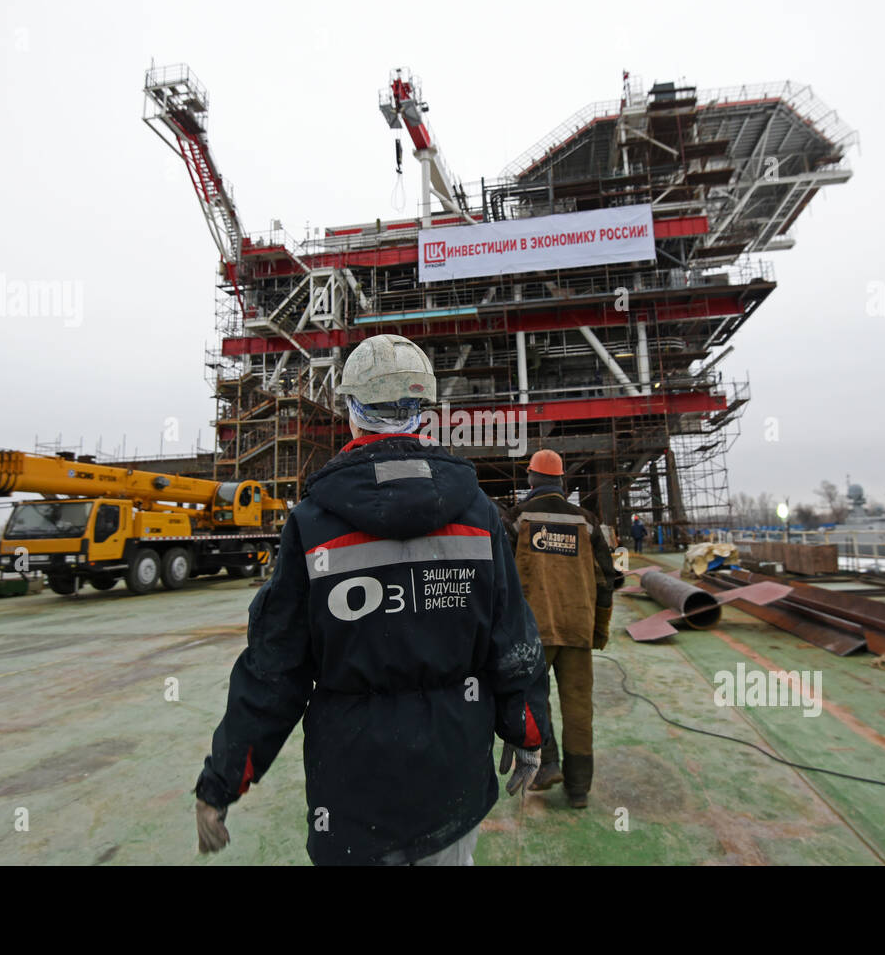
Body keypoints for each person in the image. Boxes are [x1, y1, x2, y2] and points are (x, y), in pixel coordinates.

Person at [193, 333, 550, 865]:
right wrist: (528, 733)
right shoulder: (477, 514)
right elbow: (512, 639)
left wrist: (222, 781)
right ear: (421, 413)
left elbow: (274, 670)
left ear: (352, 414)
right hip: (452, 782)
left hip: (354, 796)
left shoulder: (312, 524)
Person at [503, 449, 621, 808]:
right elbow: (607, 581)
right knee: (578, 707)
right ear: (561, 480)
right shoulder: (586, 522)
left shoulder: (517, 519)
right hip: (576, 629)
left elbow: (501, 580)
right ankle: (579, 789)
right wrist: (598, 630)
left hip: (532, 632)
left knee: (534, 700)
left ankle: (547, 764)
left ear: (532, 479)